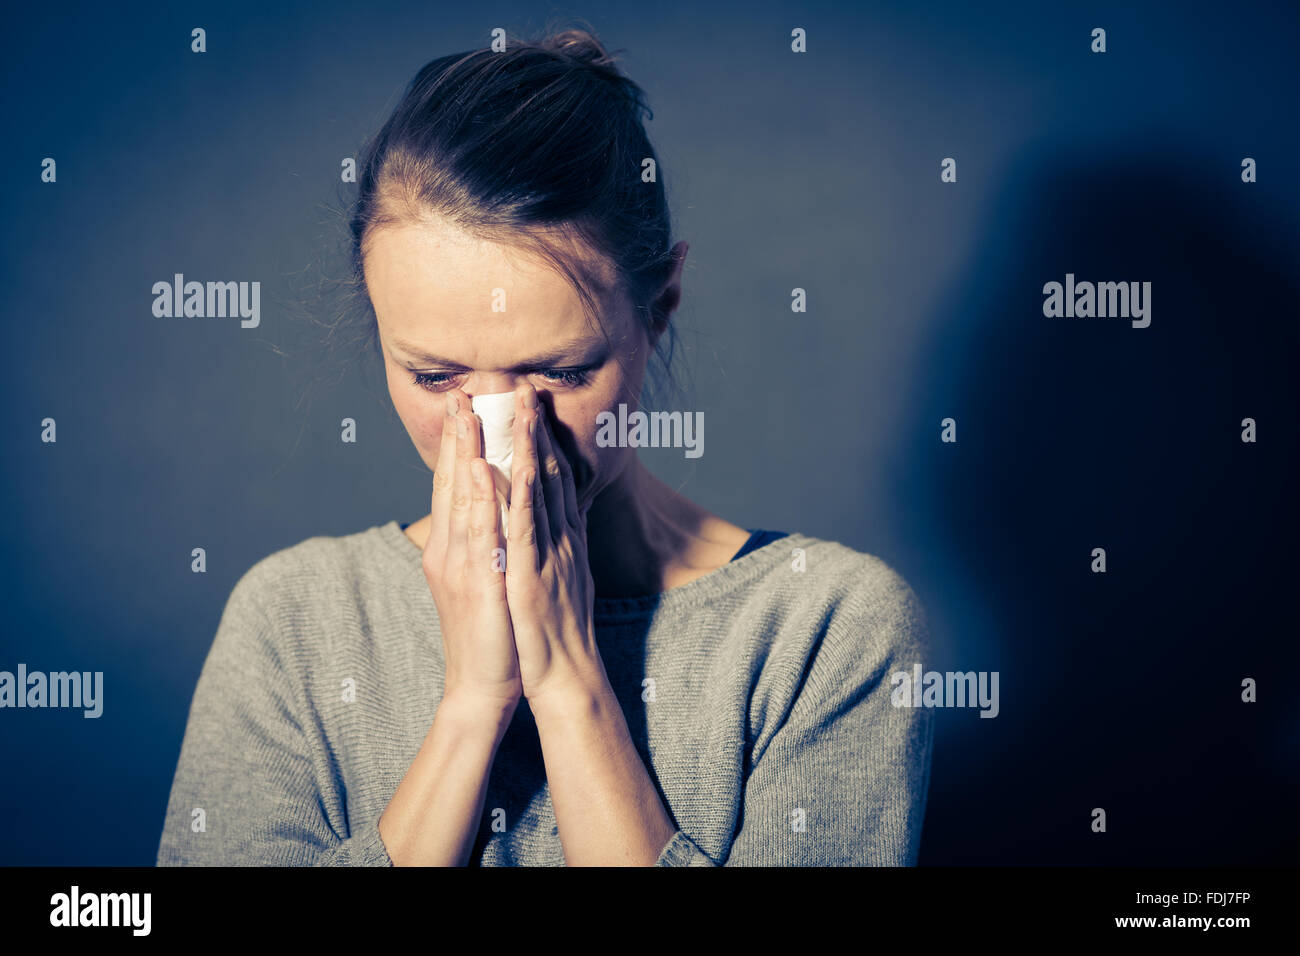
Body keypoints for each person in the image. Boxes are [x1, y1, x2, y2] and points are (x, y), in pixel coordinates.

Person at [157, 26, 934, 867]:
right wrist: (471, 705)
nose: (503, 434)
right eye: (435, 376)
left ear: (660, 305)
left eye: (560, 373)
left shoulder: (825, 630)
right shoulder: (294, 621)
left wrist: (567, 681)